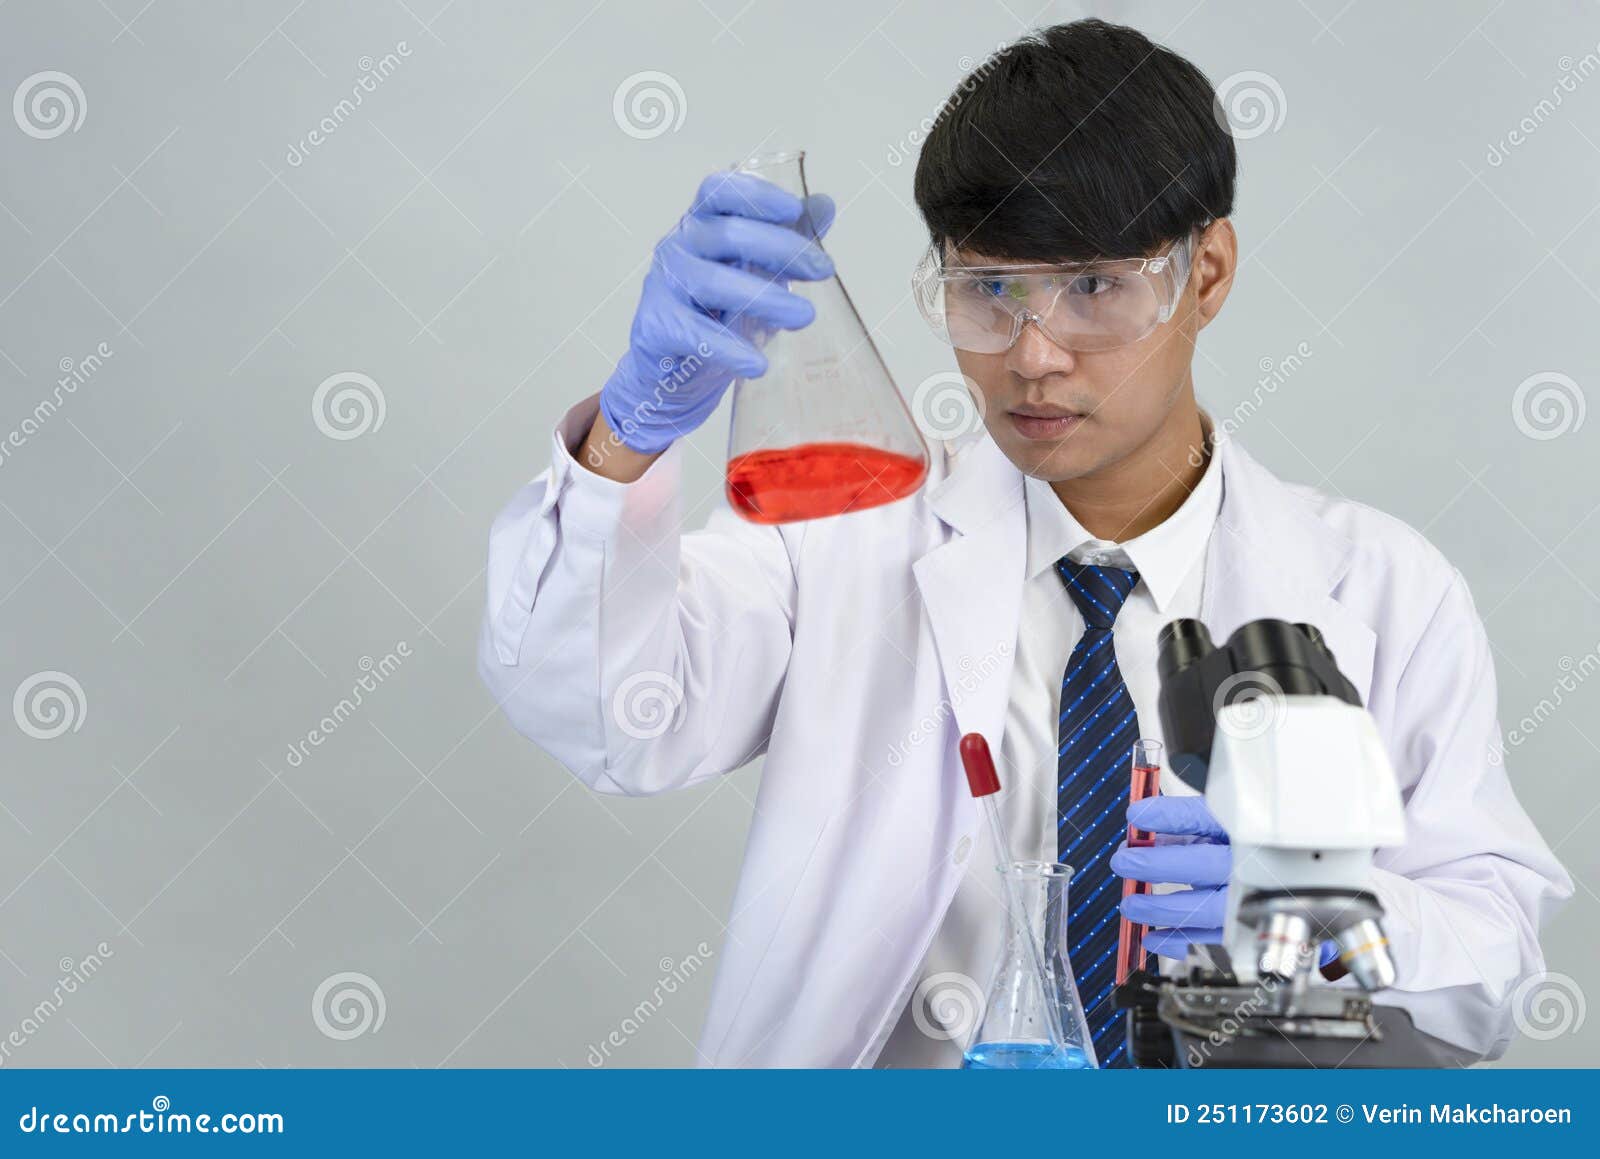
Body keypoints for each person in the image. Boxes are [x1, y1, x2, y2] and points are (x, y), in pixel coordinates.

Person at [477, 19, 1570, 1067]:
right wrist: (629, 433)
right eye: (988, 289)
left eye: (1094, 286)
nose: (1032, 355)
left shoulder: (1382, 591)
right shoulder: (846, 537)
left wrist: (1313, 914)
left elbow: (1490, 981)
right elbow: (610, 720)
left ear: (1209, 273)